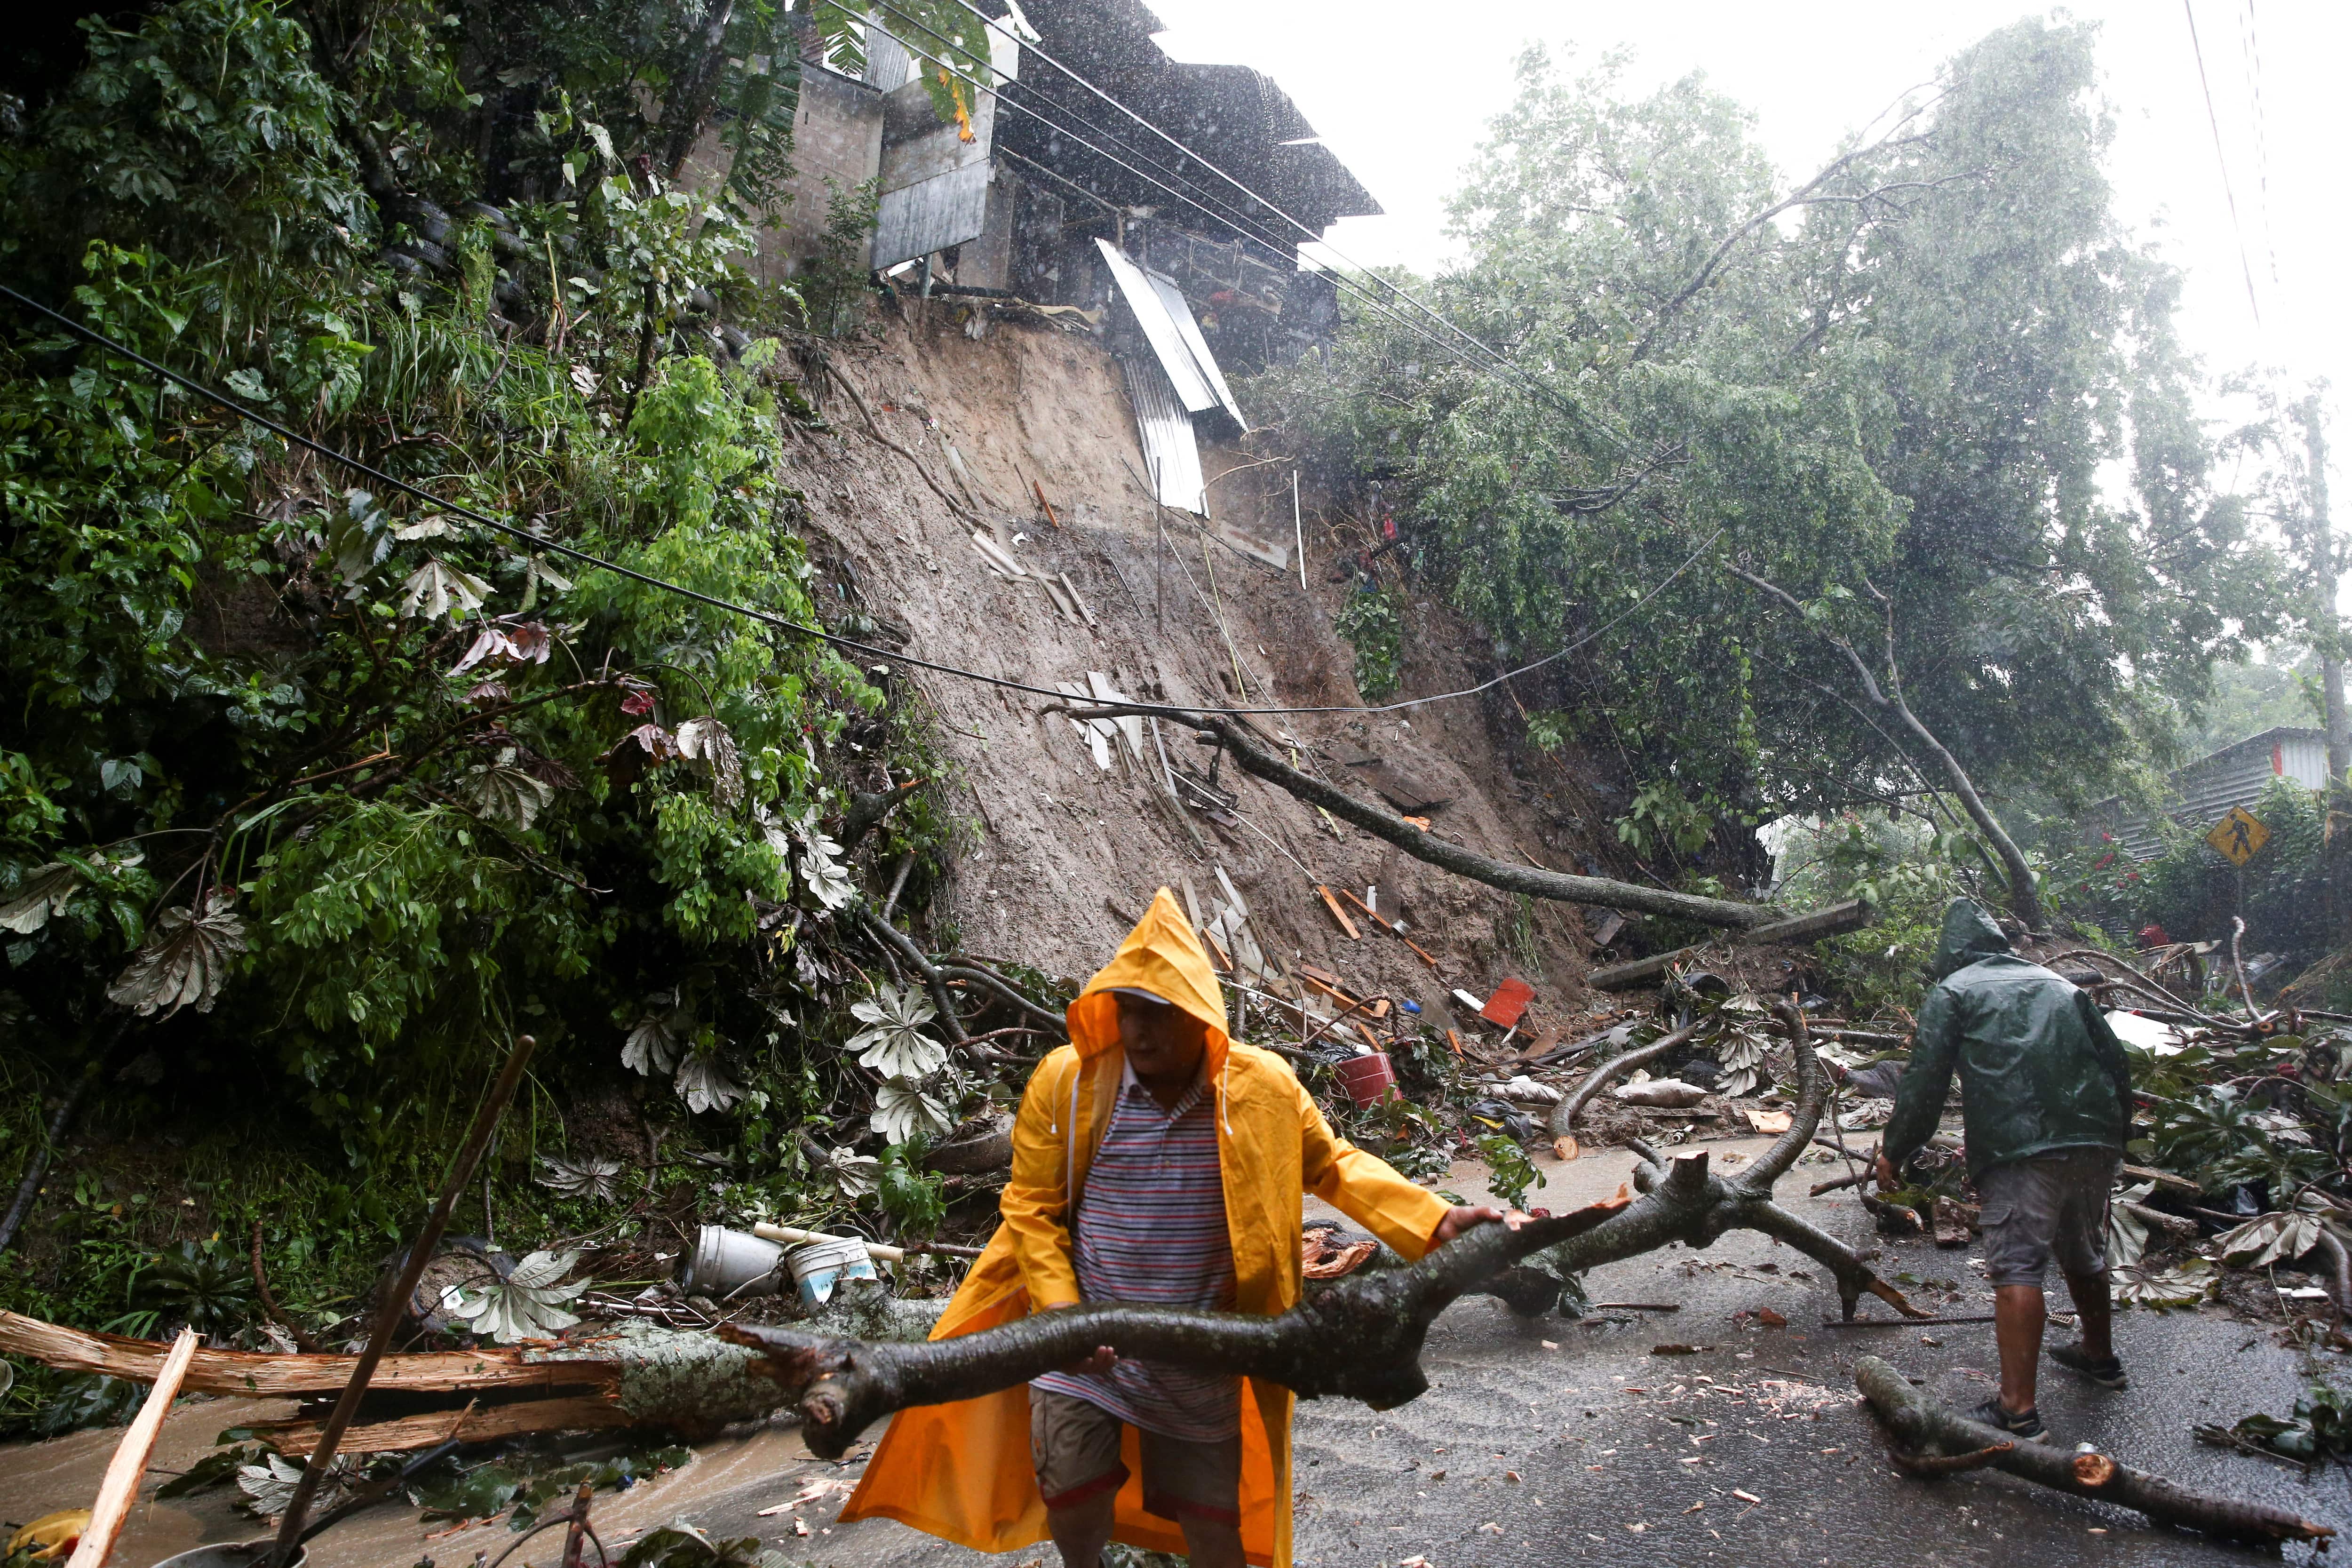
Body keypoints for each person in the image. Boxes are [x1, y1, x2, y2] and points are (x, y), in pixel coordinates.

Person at [838, 889, 1514, 1567]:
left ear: (1202, 1017)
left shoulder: (1264, 1089)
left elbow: (1333, 1165)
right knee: (1071, 1495)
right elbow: (1031, 1209)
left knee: (1217, 1528)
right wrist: (1063, 1319)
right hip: (1087, 1342)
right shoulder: (1070, 1082)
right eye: (1128, 1009)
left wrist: (1432, 1218)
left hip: (1204, 1348)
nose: (1140, 1029)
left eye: (1160, 1012)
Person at [1876, 898, 2136, 1441]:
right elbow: (2116, 1063)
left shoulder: (1953, 991)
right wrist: (2115, 1136)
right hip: (2094, 1137)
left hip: (2021, 1145)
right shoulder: (2059, 985)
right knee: (2081, 1248)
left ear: (1949, 955)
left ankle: (2016, 1411)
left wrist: (1893, 1151)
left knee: (2016, 1266)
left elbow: (1924, 1083)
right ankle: (2098, 1356)